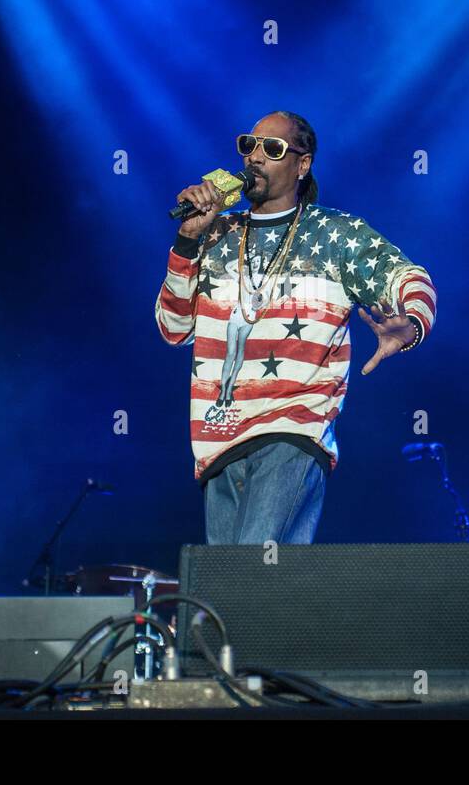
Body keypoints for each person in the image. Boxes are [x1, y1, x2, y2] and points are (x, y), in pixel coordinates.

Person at [155, 111, 437, 545]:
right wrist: (188, 240)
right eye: (249, 145)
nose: (255, 157)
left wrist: (410, 325)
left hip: (293, 430)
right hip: (216, 441)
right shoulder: (216, 234)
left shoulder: (334, 234)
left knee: (249, 572)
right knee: (230, 594)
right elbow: (173, 328)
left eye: (272, 149)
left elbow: (409, 277)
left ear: (302, 165)